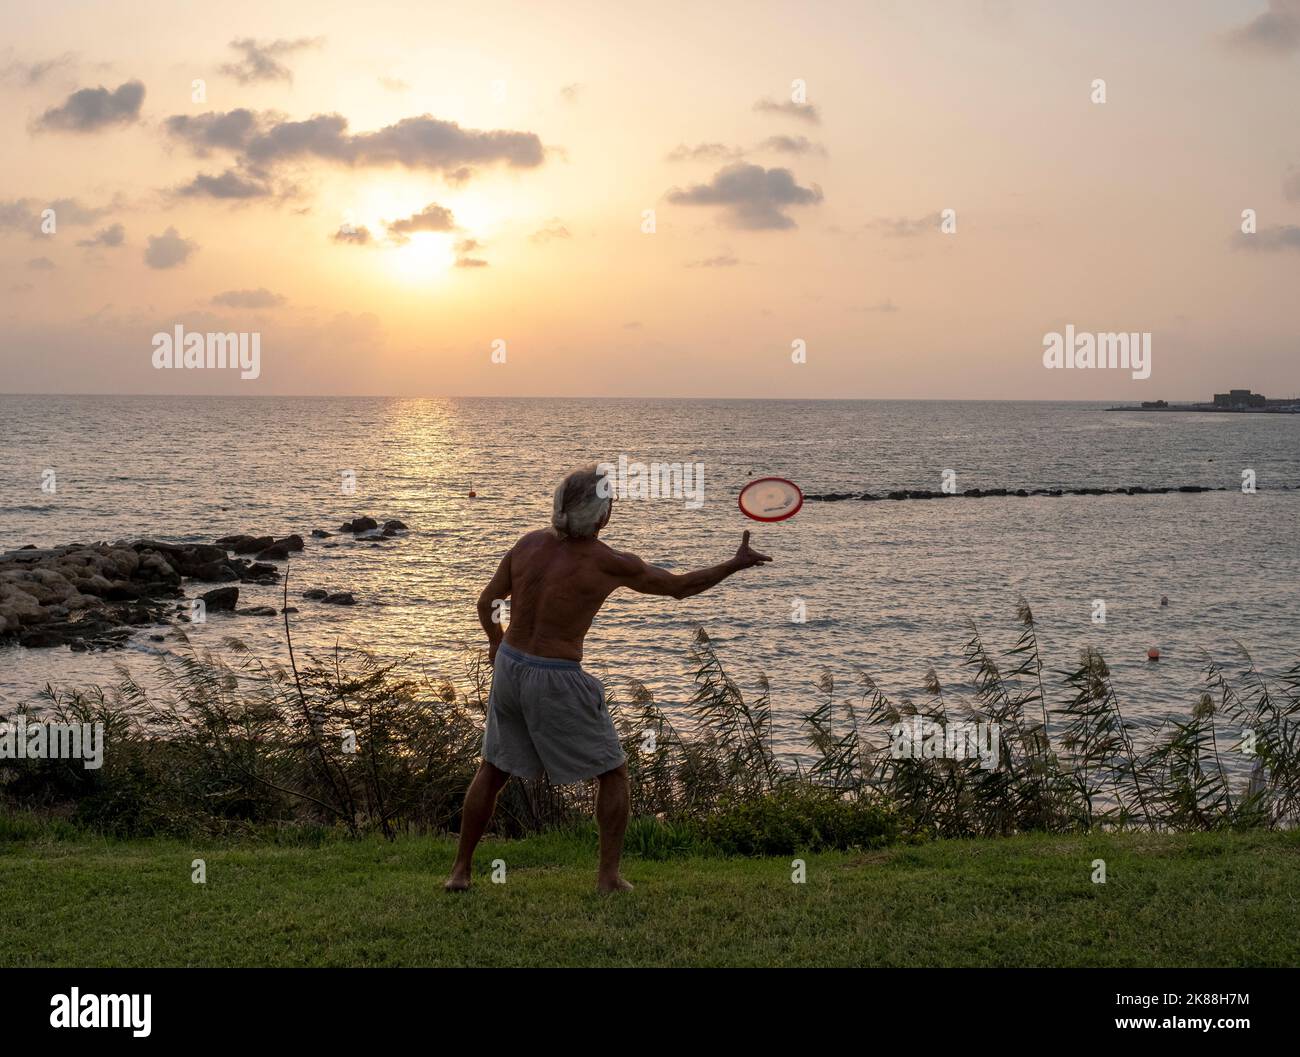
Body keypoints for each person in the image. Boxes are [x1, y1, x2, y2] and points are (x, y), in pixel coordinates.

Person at [445, 464, 773, 893]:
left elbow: (488, 601)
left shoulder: (527, 545)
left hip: (509, 665)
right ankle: (609, 878)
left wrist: (495, 643)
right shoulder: (609, 563)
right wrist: (734, 563)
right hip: (555, 675)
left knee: (493, 769)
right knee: (613, 773)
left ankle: (460, 873)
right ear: (601, 516)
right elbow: (679, 588)